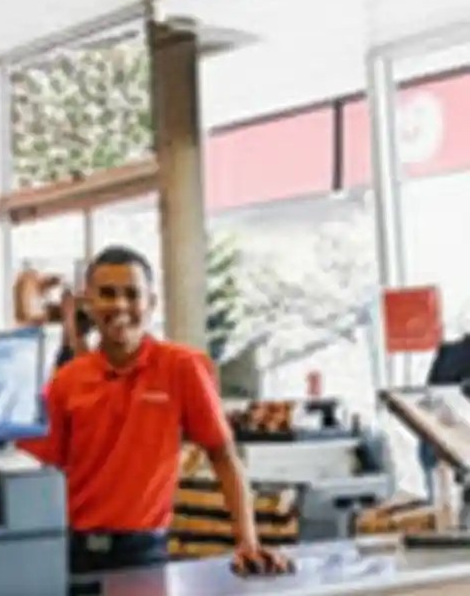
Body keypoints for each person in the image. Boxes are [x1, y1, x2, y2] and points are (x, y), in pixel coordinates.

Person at [18, 245, 289, 586]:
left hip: (143, 552)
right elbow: (44, 467)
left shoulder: (181, 368)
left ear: (151, 303)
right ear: (88, 302)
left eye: (132, 294)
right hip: (75, 553)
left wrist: (248, 542)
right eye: (107, 294)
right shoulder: (66, 381)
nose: (119, 305)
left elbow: (222, 454)